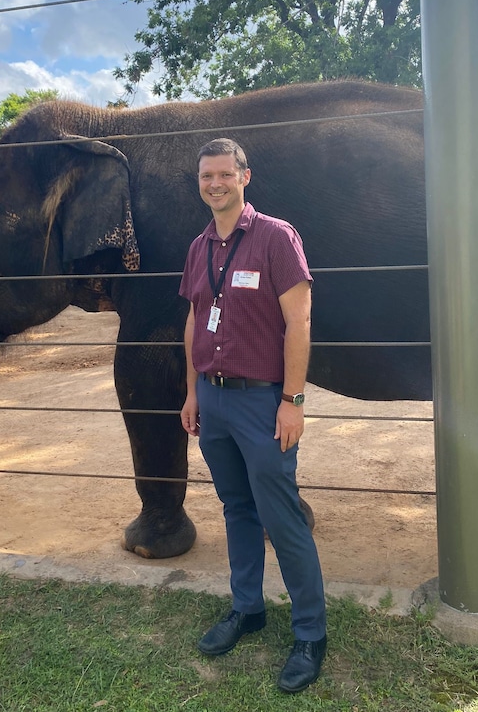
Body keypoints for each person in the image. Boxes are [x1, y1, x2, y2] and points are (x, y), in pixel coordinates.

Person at [179, 137, 327, 694]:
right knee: (236, 508)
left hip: (263, 403)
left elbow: (300, 321)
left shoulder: (275, 237)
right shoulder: (199, 247)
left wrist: (293, 400)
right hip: (213, 400)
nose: (214, 184)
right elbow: (196, 318)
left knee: (280, 515)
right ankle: (249, 609)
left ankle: (310, 633)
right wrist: (193, 391)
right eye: (205, 176)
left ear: (245, 177)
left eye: (223, 174)